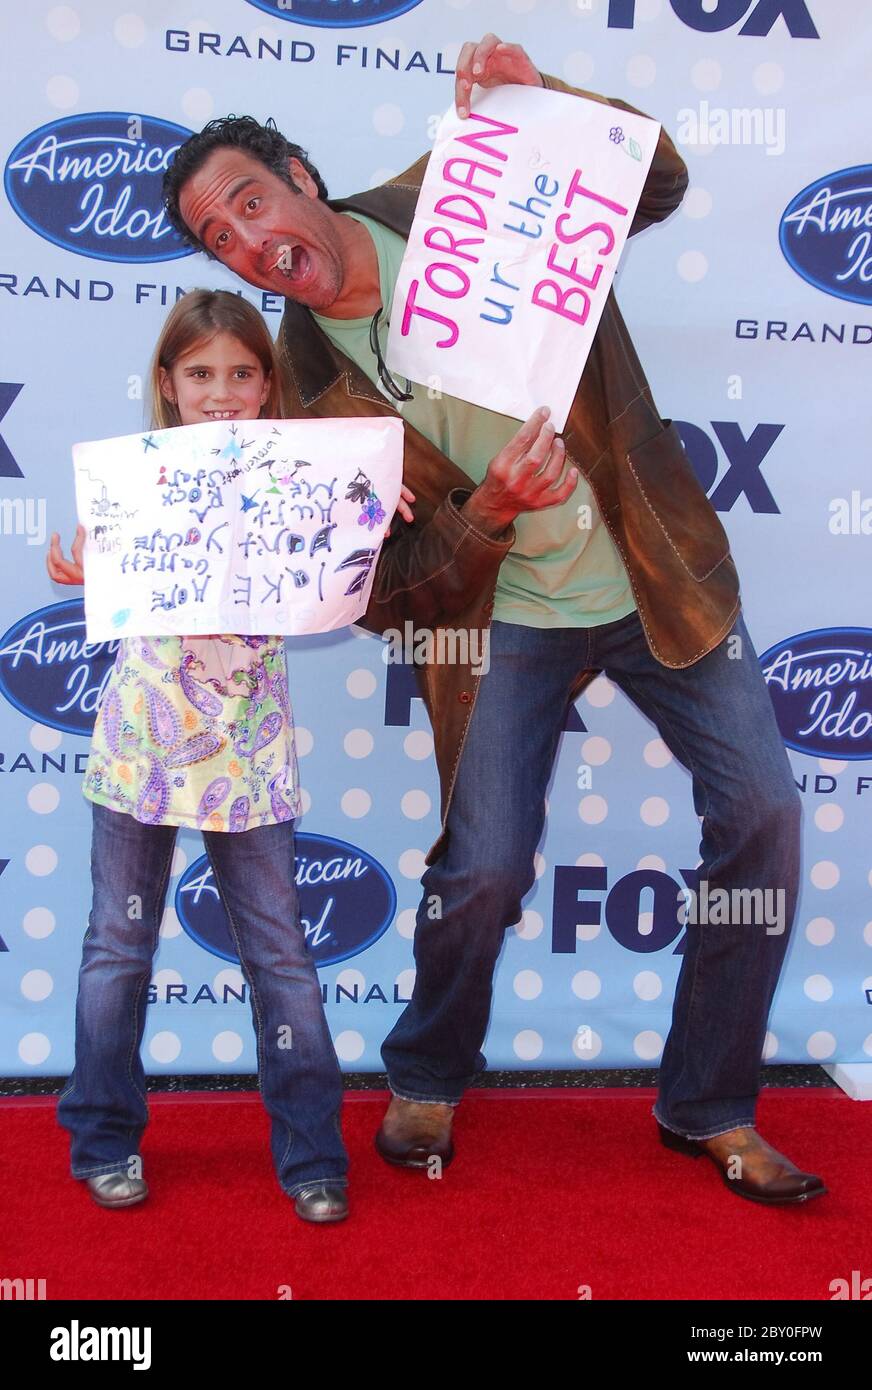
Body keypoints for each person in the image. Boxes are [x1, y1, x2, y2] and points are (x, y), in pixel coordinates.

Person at [160, 35, 825, 1206]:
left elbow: (654, 182)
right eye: (218, 238)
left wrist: (546, 99)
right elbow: (383, 594)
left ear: (303, 178)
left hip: (654, 576)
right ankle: (426, 1069)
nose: (250, 241)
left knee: (764, 818)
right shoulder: (298, 385)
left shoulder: (461, 188)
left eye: (251, 201)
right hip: (505, 619)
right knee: (483, 868)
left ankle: (709, 1104)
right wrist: (486, 514)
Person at [48, 289, 386, 1223]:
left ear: (267, 384)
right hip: (139, 742)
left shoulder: (300, 482)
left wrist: (366, 523)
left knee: (280, 952)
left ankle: (314, 1152)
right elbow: (110, 580)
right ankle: (102, 1135)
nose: (222, 391)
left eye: (241, 373)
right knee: (117, 947)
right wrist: (89, 575)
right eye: (201, 373)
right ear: (167, 384)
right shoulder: (134, 483)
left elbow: (348, 567)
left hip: (250, 744)